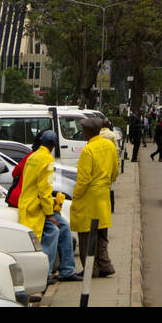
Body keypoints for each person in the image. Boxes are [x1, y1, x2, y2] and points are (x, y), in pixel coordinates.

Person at [18, 130, 81, 283]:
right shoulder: (46, 160)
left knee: (64, 227)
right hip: (37, 207)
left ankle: (66, 270)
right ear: (53, 145)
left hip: (29, 203)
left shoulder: (33, 156)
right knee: (52, 231)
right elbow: (44, 190)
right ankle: (44, 275)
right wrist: (50, 214)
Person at [70, 118, 120, 278]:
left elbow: (83, 179)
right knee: (101, 233)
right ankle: (105, 265)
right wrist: (106, 183)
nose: (82, 132)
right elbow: (115, 171)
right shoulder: (109, 146)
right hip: (103, 195)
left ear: (89, 132)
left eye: (83, 129)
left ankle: (91, 269)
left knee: (86, 236)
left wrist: (76, 195)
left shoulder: (88, 150)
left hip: (89, 197)